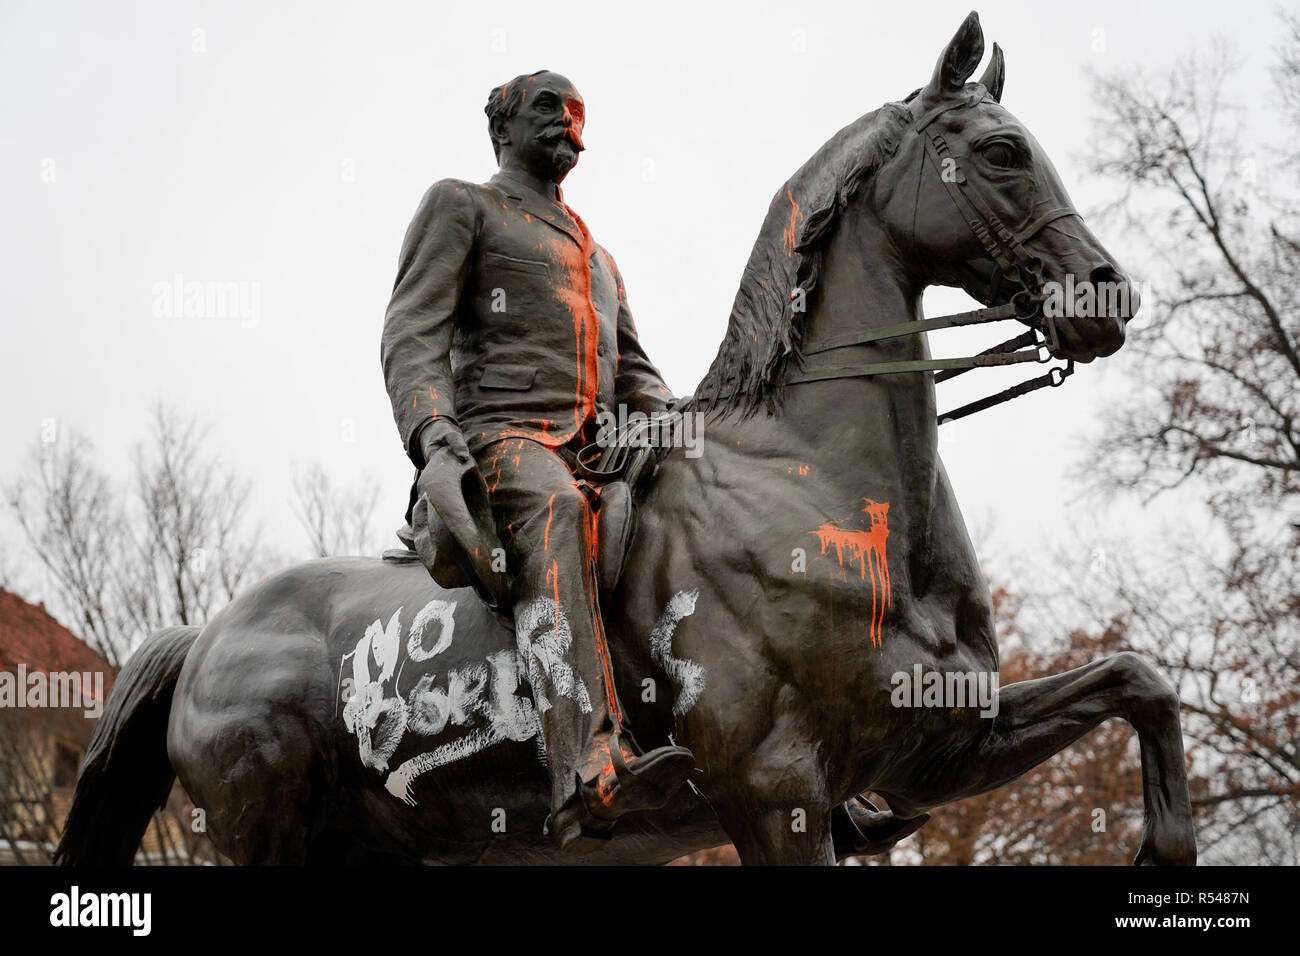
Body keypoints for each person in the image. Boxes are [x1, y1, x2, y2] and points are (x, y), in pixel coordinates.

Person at [380, 70, 694, 851]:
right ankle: (585, 765)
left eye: (578, 112)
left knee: (702, 503)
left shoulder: (601, 258)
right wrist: (435, 443)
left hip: (596, 448)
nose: (569, 123)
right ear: (504, 129)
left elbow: (638, 376)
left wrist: (687, 429)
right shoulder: (463, 205)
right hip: (500, 442)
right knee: (557, 506)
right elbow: (409, 335)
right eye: (550, 108)